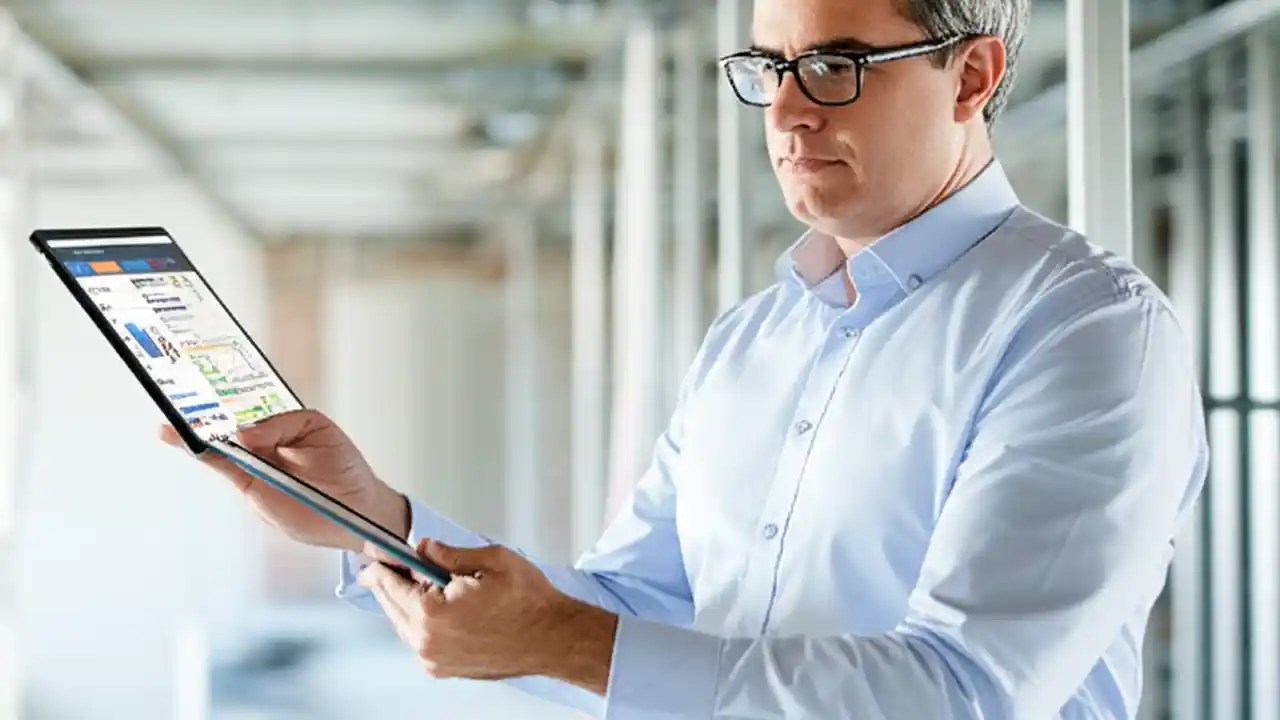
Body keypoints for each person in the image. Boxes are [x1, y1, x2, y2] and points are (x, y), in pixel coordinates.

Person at [163, 0, 1209, 717]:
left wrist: (568, 642)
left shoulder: (1081, 330)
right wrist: (377, 523)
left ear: (969, 74)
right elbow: (639, 615)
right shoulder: (755, 338)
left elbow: (963, 694)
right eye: (768, 67)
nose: (789, 110)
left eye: (836, 66)